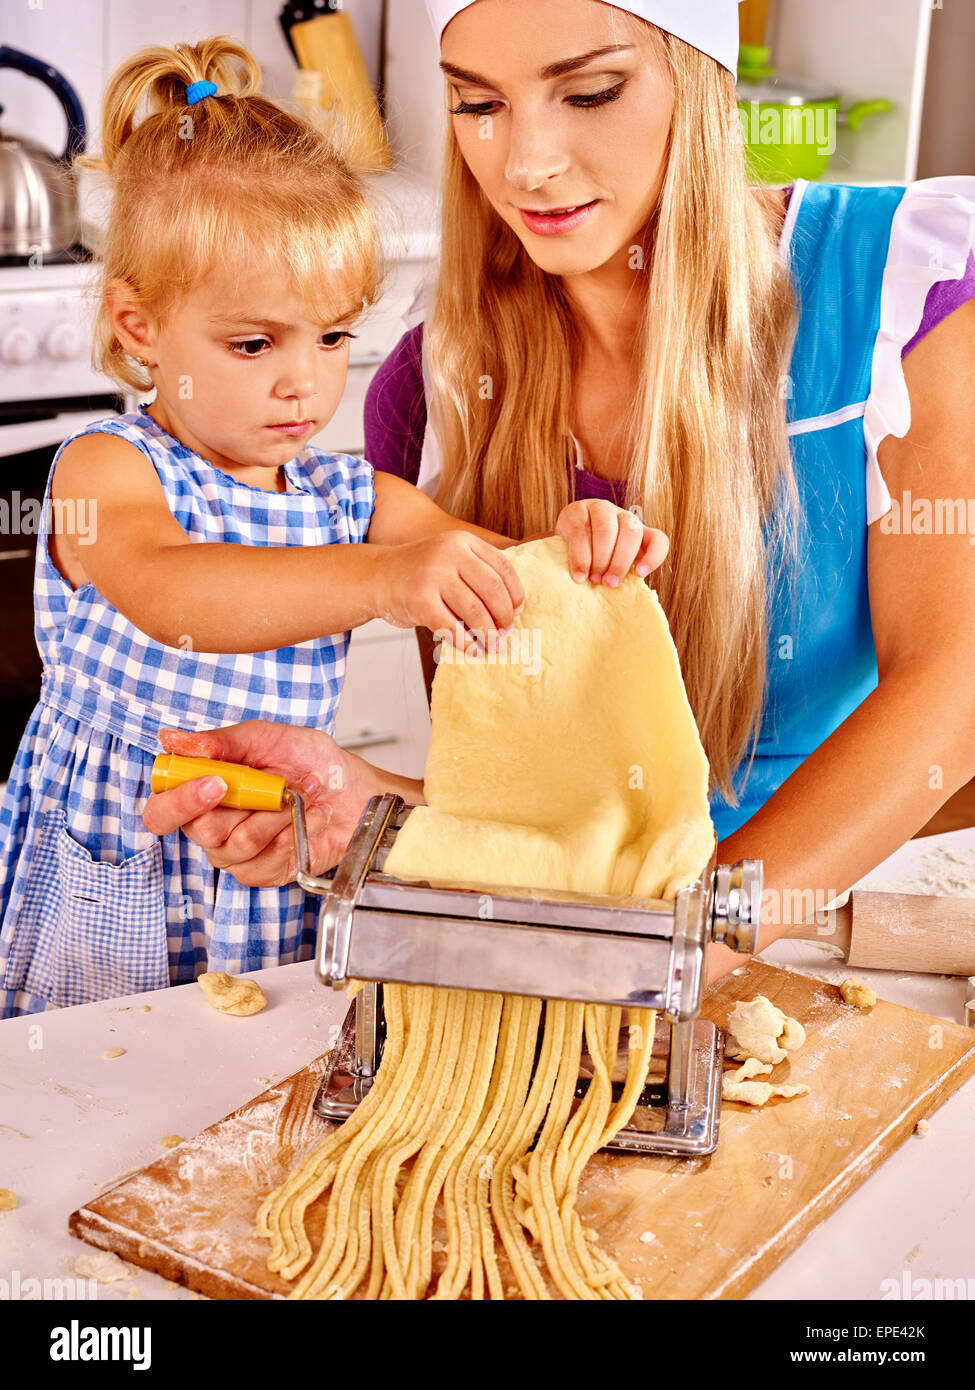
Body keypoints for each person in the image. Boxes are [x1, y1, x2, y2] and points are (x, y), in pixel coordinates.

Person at [145, 0, 975, 985]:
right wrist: (372, 808)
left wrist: (688, 938)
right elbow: (539, 805)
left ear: (695, 76)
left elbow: (951, 690)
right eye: (479, 103)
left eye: (589, 92)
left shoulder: (900, 286)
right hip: (627, 953)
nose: (526, 161)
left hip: (897, 938)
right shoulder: (440, 397)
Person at [0, 33, 665, 1019]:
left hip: (272, 857)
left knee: (256, 1076)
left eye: (333, 336)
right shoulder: (111, 471)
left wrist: (579, 551)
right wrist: (380, 581)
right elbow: (177, 591)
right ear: (141, 328)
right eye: (254, 341)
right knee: (107, 1099)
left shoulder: (344, 497)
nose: (303, 381)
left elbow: (494, 574)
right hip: (116, 863)